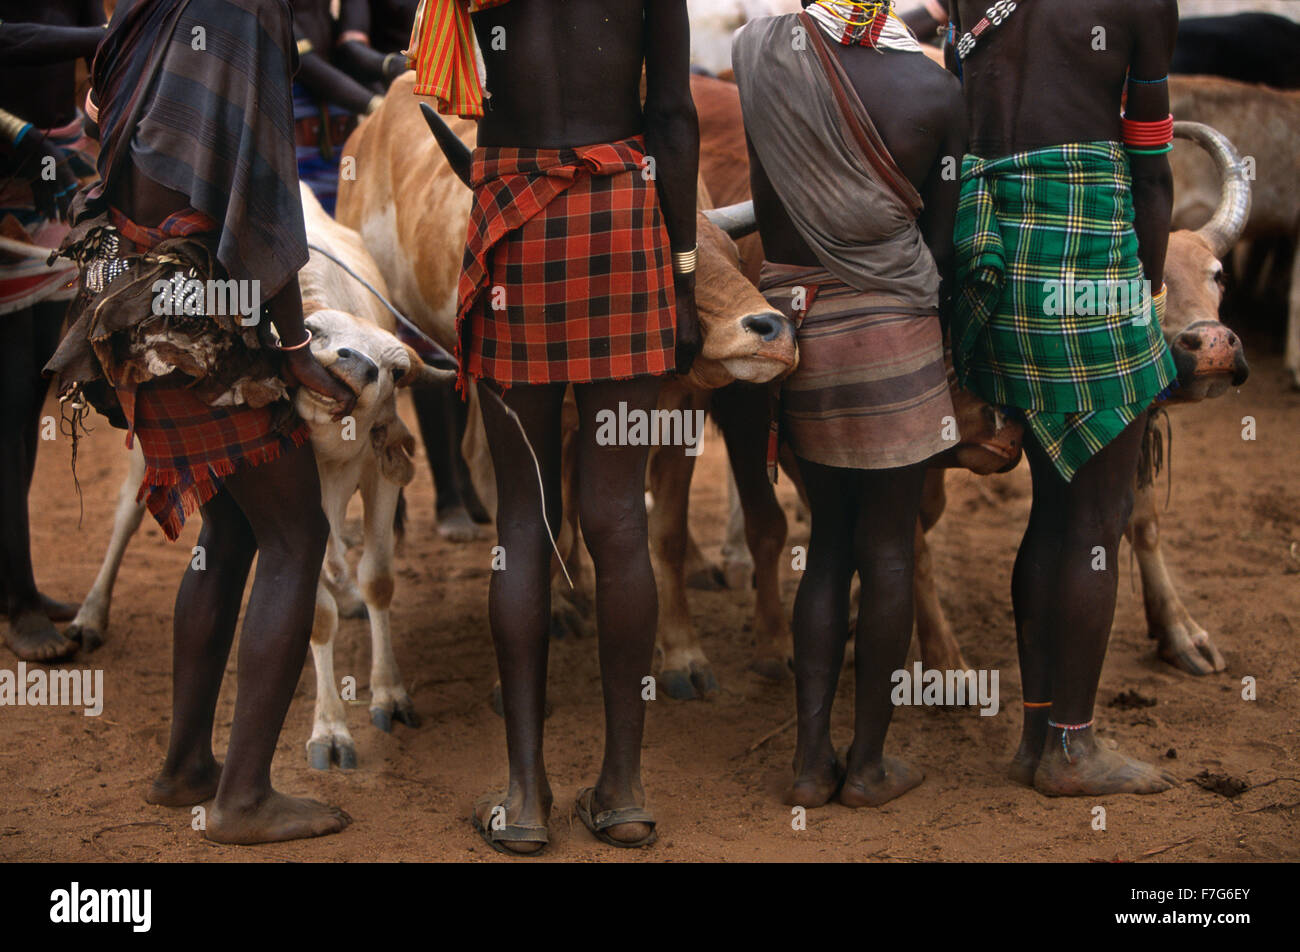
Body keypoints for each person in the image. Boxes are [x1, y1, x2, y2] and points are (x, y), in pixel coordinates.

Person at [46, 0, 358, 842]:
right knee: (296, 534)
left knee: (230, 523)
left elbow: (110, 137)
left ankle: (187, 764)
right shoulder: (244, 10)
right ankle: (243, 799)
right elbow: (258, 194)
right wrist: (294, 347)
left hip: (125, 298)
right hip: (194, 309)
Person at [409, 0, 699, 853]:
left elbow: (442, 86)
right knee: (617, 519)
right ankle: (624, 788)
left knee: (522, 523)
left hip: (510, 217)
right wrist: (682, 275)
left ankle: (525, 793)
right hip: (625, 220)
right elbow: (673, 114)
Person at [733, 0, 965, 808]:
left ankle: (807, 763)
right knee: (890, 547)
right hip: (895, 335)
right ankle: (867, 767)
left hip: (795, 331)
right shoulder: (934, 93)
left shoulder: (758, 51)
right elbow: (942, 246)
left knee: (826, 542)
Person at [947, 0, 1180, 795]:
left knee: (1053, 512)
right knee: (1095, 518)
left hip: (988, 254)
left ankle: (1036, 733)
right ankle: (1071, 749)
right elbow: (1149, 163)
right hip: (1087, 250)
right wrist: (1142, 294)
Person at [0, 1, 106, 663]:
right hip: (10, 176)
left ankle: (14, 580)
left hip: (54, 172)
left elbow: (96, 56)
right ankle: (19, 603)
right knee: (8, 401)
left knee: (30, 386)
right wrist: (114, 33)